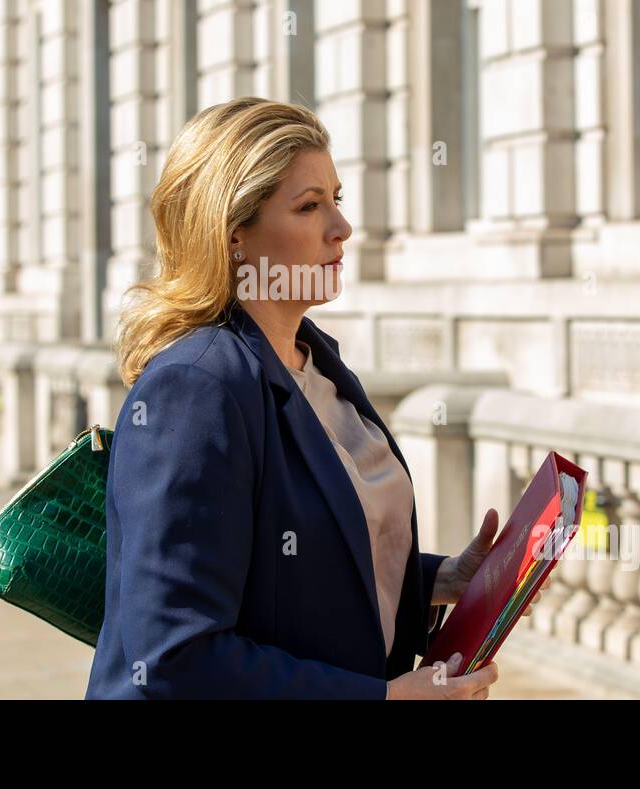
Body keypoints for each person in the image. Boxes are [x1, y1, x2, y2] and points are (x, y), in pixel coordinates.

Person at [84, 97, 545, 700]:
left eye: (337, 199)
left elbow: (297, 561)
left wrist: (441, 578)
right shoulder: (194, 388)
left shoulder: (316, 360)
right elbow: (175, 652)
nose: (342, 228)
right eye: (309, 206)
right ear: (233, 237)